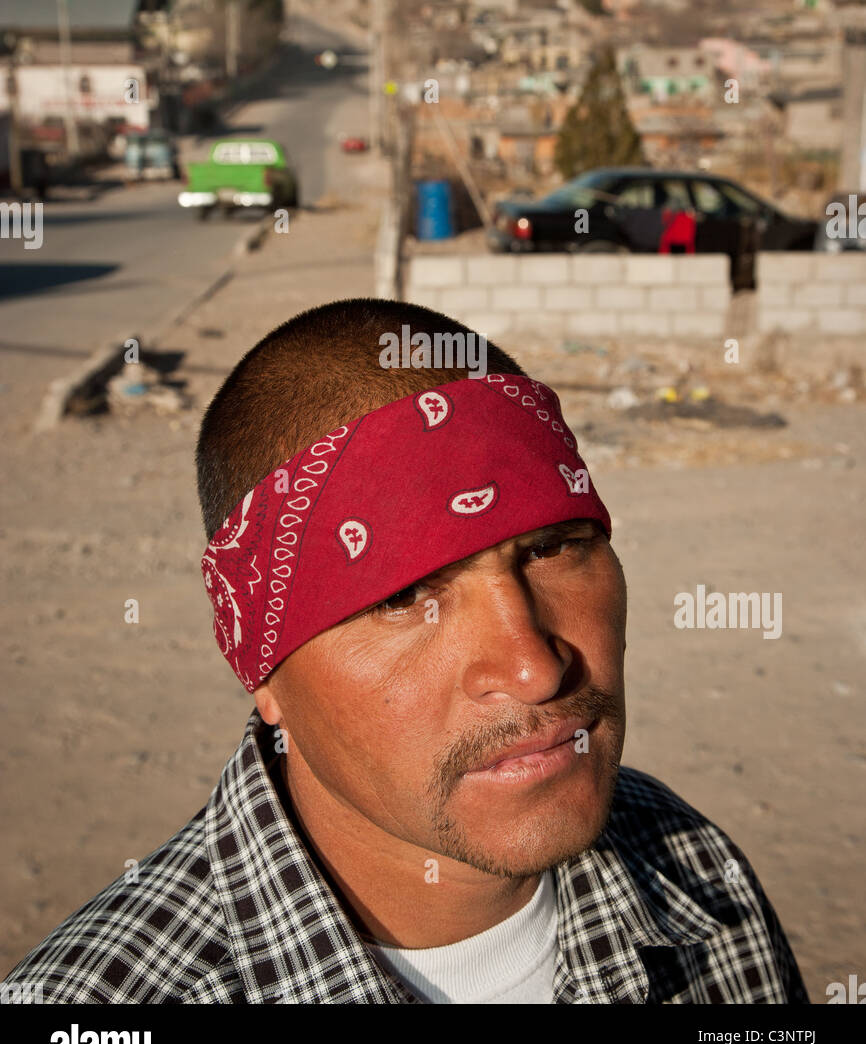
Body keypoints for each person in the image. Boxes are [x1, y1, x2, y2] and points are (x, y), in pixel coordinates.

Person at [3, 299, 809, 1004]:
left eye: (555, 547)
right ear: (263, 671)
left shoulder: (692, 876)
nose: (533, 668)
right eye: (400, 596)